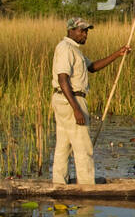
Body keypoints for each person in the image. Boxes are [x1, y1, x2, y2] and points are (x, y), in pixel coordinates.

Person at [52, 17, 130, 184]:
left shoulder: (75, 49)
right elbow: (62, 79)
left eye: (86, 31)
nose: (85, 34)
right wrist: (76, 108)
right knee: (83, 147)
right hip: (71, 99)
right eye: (82, 30)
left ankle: (59, 183)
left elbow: (92, 67)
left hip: (66, 100)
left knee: (63, 146)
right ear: (70, 31)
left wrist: (118, 53)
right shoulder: (65, 48)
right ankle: (87, 186)